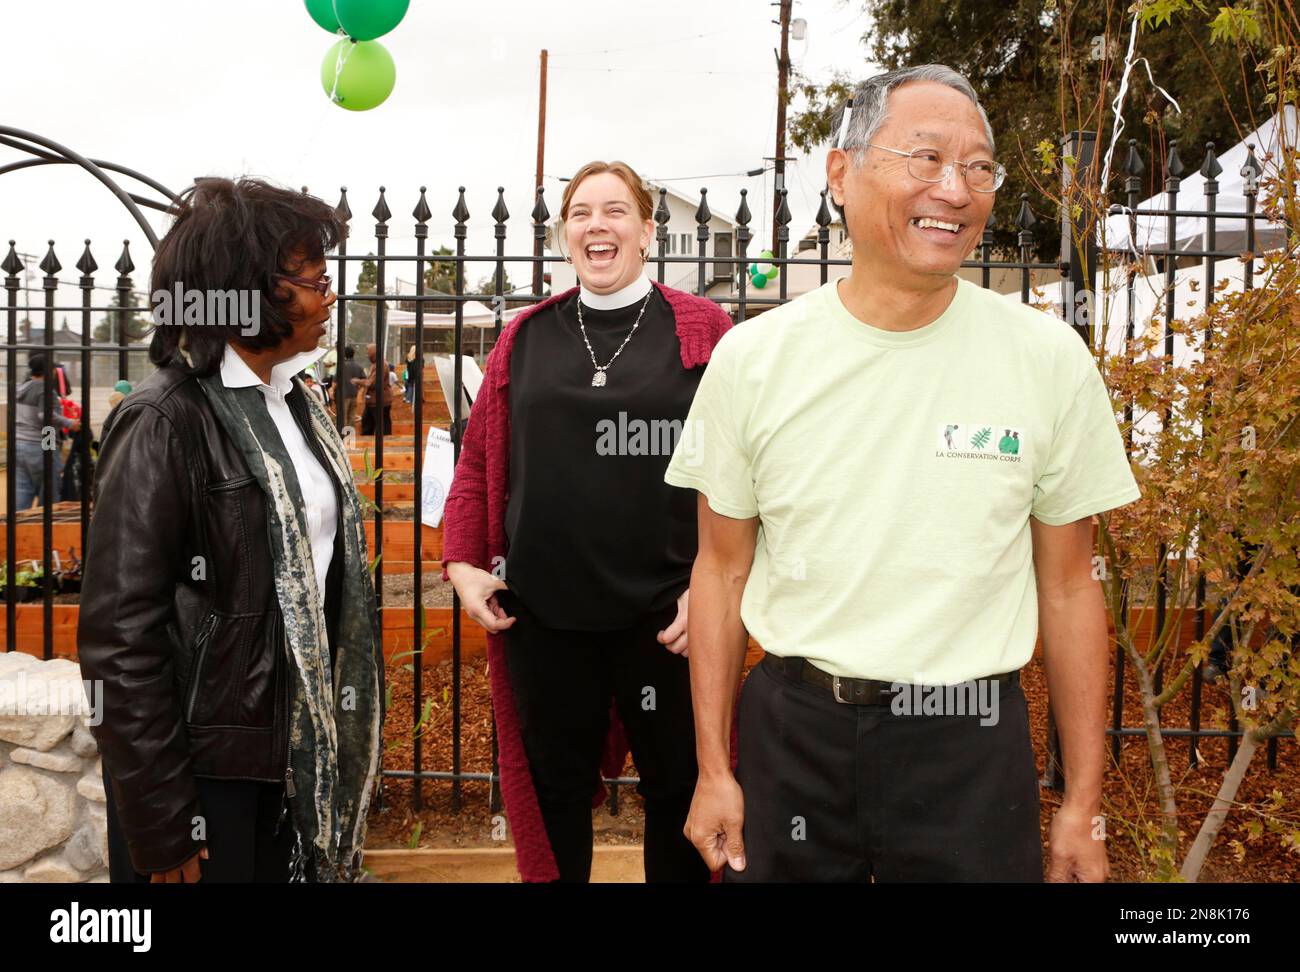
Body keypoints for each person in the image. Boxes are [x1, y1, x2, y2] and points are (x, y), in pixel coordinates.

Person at [667, 65, 1142, 883]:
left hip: (969, 743)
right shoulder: (754, 360)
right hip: (795, 736)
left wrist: (1080, 804)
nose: (955, 191)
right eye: (925, 158)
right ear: (843, 174)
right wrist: (715, 768)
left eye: (979, 167)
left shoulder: (1047, 358)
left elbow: (1068, 588)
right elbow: (721, 568)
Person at [78, 176, 385, 884]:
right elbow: (119, 637)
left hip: (287, 760)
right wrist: (161, 818)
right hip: (207, 777)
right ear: (249, 290)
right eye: (314, 278)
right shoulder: (164, 420)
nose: (329, 294)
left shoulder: (296, 404)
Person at [441, 160, 732, 883]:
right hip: (546, 620)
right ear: (564, 233)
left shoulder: (704, 330)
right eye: (580, 213)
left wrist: (719, 592)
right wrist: (461, 563)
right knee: (552, 797)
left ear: (646, 229)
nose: (597, 225)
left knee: (679, 792)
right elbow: (478, 461)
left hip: (668, 619)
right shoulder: (526, 336)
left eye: (614, 211)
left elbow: (752, 473)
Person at [14, 353, 80, 509]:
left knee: (23, 490)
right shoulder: (44, 389)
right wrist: (70, 423)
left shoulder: (19, 388)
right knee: (50, 489)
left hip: (19, 443)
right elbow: (45, 416)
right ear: (49, 371)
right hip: (44, 441)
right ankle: (47, 527)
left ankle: (18, 528)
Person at [358, 342, 394, 436]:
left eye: (368, 353)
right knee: (367, 424)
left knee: (381, 426)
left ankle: (385, 445)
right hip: (374, 401)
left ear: (373, 354)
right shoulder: (376, 364)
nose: (367, 355)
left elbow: (373, 383)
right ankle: (368, 446)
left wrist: (358, 381)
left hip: (379, 401)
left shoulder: (381, 365)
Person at [335, 345, 366, 432]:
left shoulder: (341, 366)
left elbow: (335, 380)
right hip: (354, 394)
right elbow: (364, 380)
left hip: (343, 394)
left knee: (342, 415)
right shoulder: (359, 367)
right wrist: (360, 392)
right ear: (353, 354)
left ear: (344, 354)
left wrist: (331, 390)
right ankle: (350, 434)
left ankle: (341, 435)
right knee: (352, 415)